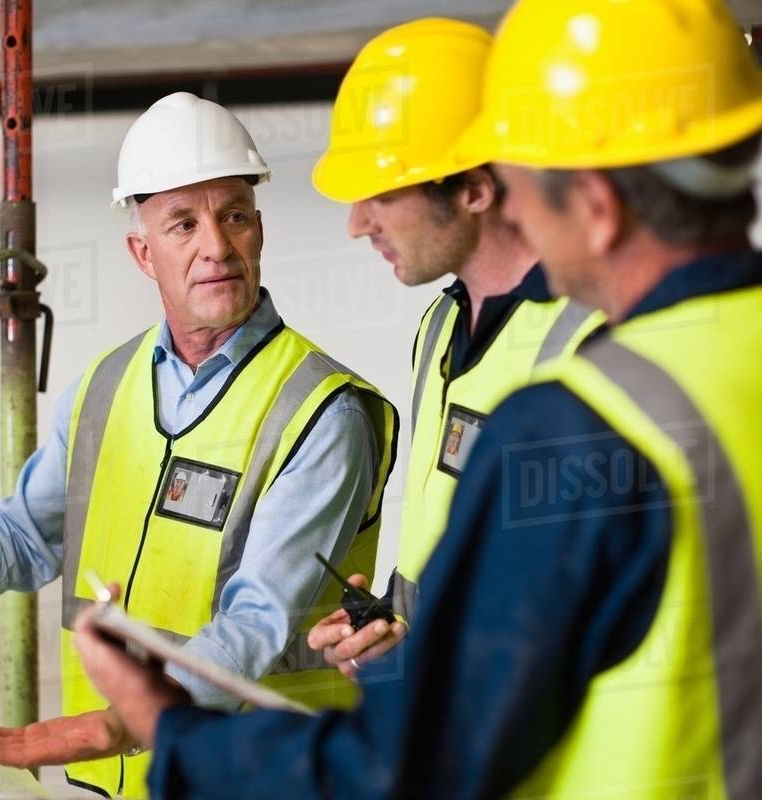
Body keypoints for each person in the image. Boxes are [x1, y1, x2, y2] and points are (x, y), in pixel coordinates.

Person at [71, 3, 762, 798]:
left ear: (595, 205)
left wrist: (168, 726)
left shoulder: (586, 427)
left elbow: (407, 768)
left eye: (522, 182)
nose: (509, 205)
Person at [0, 91, 397, 798]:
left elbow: (257, 622)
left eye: (235, 215)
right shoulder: (105, 386)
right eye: (183, 224)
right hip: (122, 781)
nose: (217, 247)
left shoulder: (322, 411)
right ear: (142, 253)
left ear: (260, 229)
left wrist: (118, 724)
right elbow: (23, 537)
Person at [305, 18, 601, 676]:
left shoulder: (594, 347)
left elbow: (590, 611)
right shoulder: (440, 326)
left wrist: (430, 671)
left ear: (473, 188)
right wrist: (389, 624)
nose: (357, 224)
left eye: (382, 194)